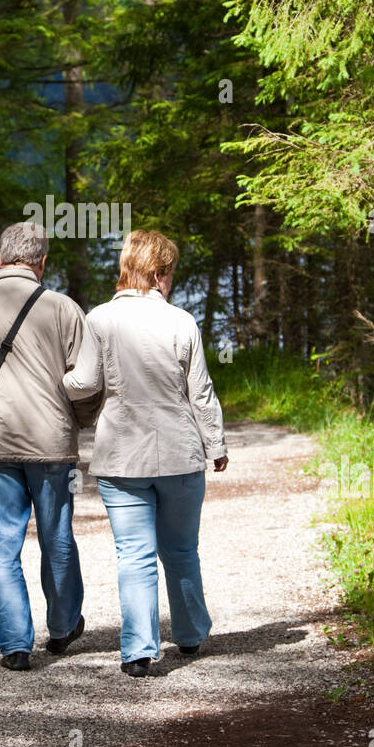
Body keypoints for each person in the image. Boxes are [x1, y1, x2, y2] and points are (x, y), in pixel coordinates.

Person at [0, 221, 101, 671]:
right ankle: (64, 627)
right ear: (42, 262)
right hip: (52, 445)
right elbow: (89, 381)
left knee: (1, 548)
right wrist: (79, 422)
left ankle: (14, 645)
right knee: (58, 538)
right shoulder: (65, 308)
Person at [63, 229, 228, 677]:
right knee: (181, 550)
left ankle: (138, 650)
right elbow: (202, 393)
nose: (170, 281)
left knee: (134, 554)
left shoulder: (98, 319)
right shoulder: (182, 322)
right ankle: (191, 635)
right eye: (169, 273)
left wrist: (57, 381)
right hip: (180, 454)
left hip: (122, 457)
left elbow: (86, 383)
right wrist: (216, 445)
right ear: (157, 274)